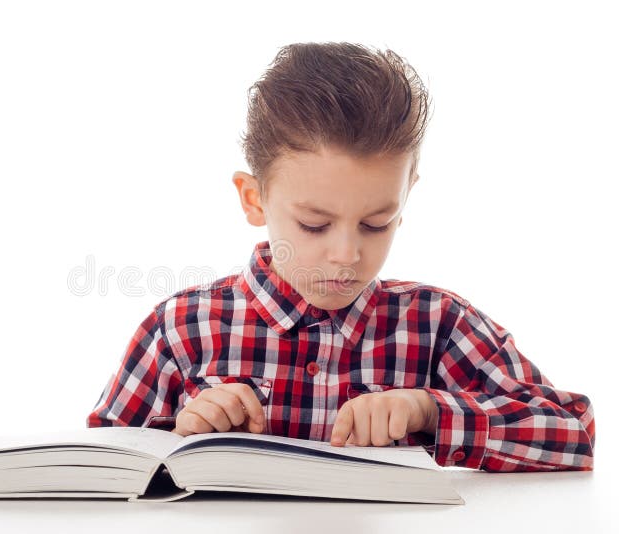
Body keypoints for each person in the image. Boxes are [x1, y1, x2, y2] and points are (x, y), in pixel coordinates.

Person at [86, 42, 595, 471]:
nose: (347, 255)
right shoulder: (180, 329)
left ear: (406, 196)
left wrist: (431, 411)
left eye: (376, 223)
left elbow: (574, 431)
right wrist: (180, 436)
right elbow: (95, 469)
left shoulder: (438, 326)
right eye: (314, 224)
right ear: (254, 199)